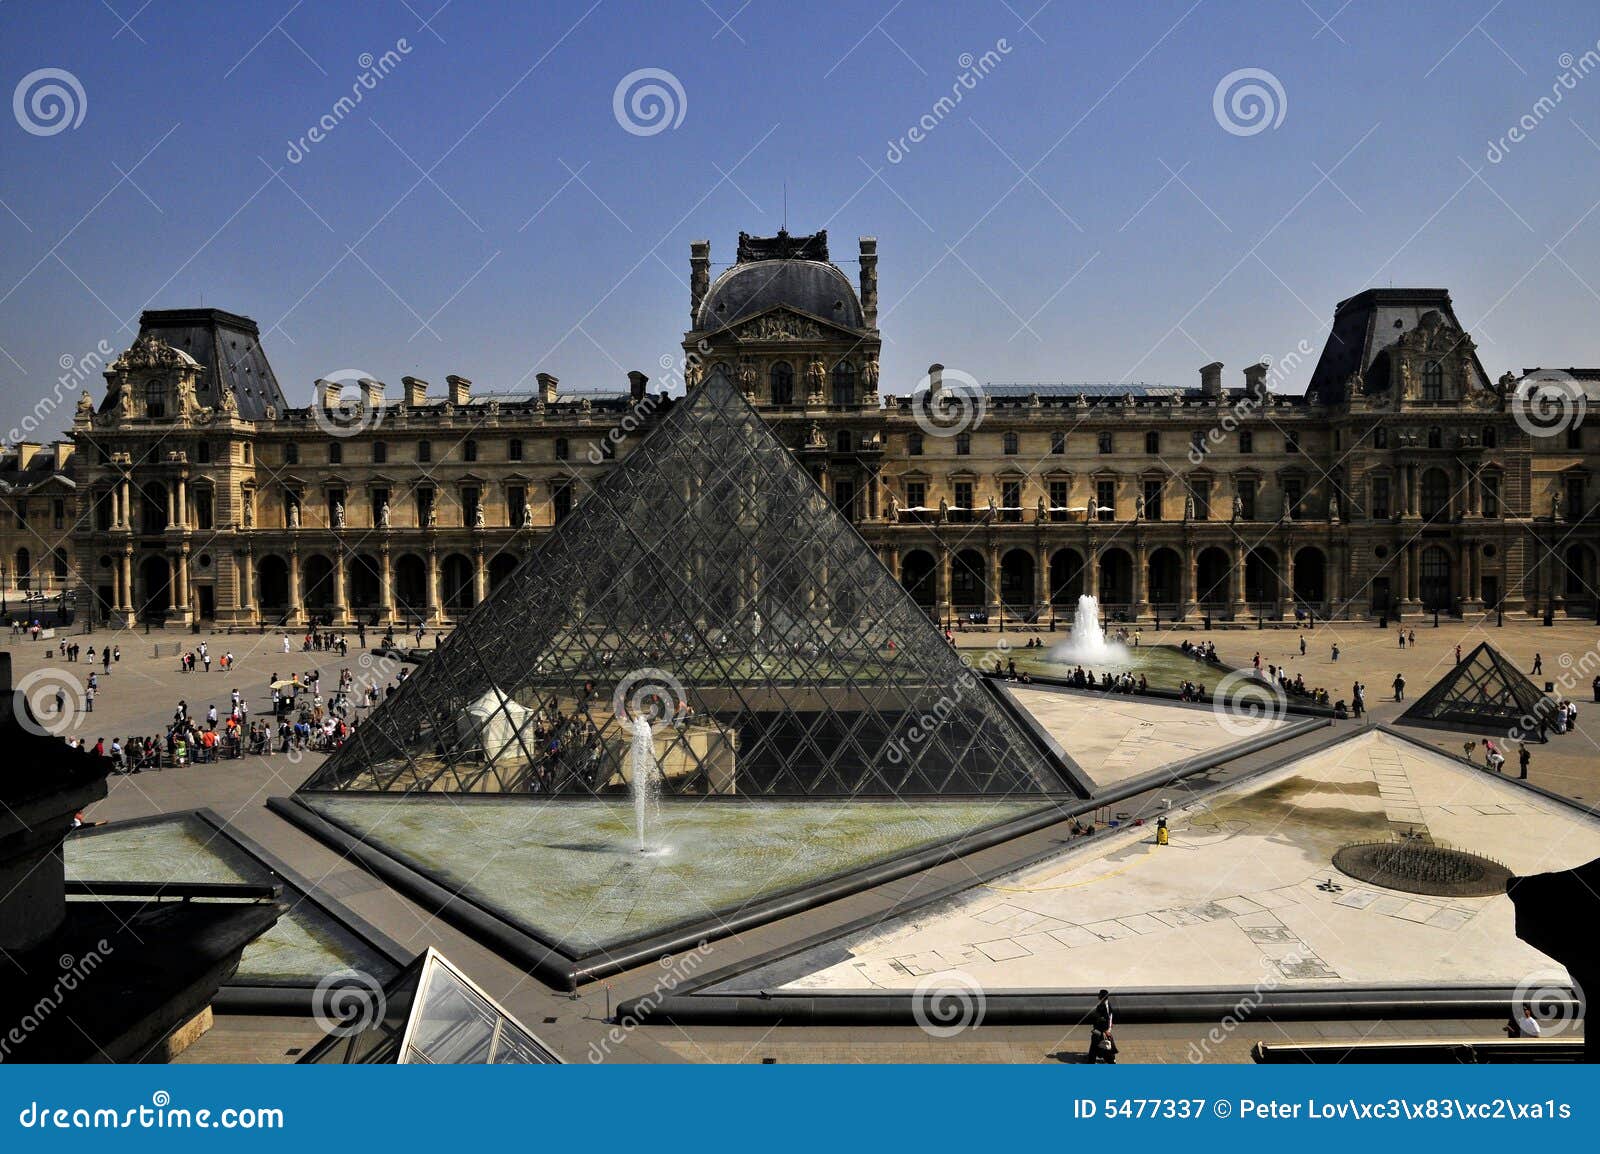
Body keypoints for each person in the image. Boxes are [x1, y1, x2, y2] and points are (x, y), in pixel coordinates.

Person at [1086, 990, 1116, 1063]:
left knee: (1097, 1044)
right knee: (1103, 1043)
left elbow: (1104, 1019)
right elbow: (1110, 1015)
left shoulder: (1102, 1006)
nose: (1098, 996)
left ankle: (1109, 1060)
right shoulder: (1107, 1003)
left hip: (1101, 1029)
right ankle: (1108, 1059)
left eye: (1099, 995)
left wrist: (1106, 1030)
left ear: (1101, 997)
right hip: (1102, 1028)